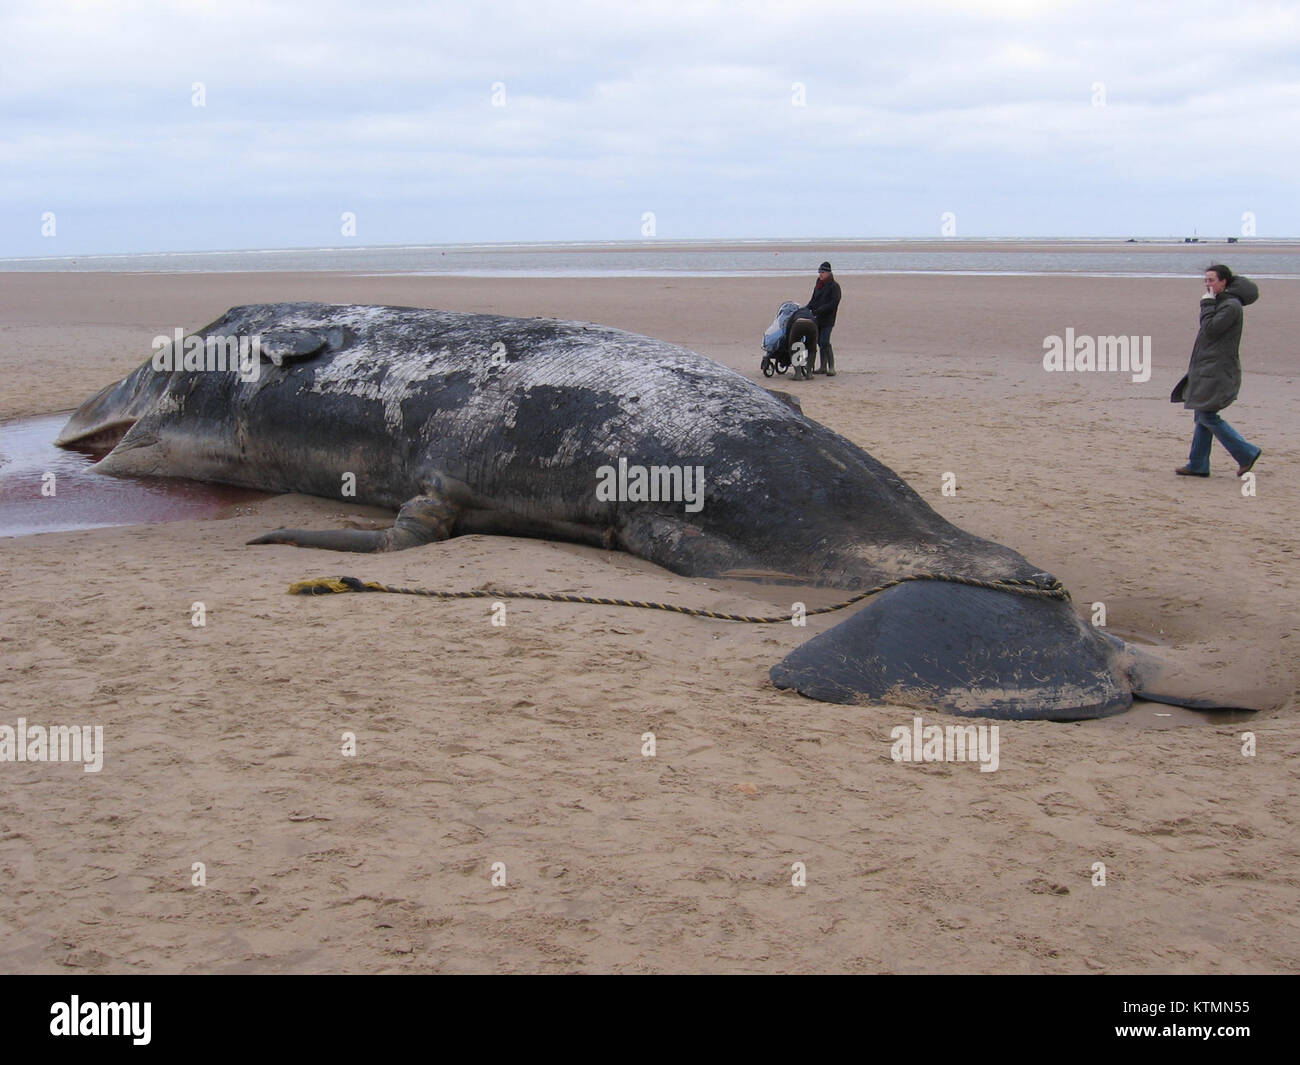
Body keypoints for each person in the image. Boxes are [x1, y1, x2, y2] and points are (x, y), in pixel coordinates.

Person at [1172, 264, 1262, 478]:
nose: (1208, 284)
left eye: (1212, 280)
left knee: (1207, 415)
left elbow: (1211, 330)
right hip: (1207, 367)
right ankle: (1198, 464)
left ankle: (1246, 453)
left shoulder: (1230, 306)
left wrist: (1206, 304)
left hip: (1217, 369)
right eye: (1206, 280)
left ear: (1224, 282)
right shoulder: (1222, 303)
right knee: (1201, 415)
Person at [807, 262, 841, 376]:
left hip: (828, 319)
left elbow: (833, 303)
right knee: (818, 341)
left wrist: (820, 310)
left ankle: (831, 367)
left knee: (824, 341)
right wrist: (806, 308)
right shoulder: (818, 284)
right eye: (819, 272)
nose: (820, 274)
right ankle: (822, 367)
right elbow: (813, 299)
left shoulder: (834, 286)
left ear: (828, 273)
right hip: (817, 318)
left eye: (823, 272)